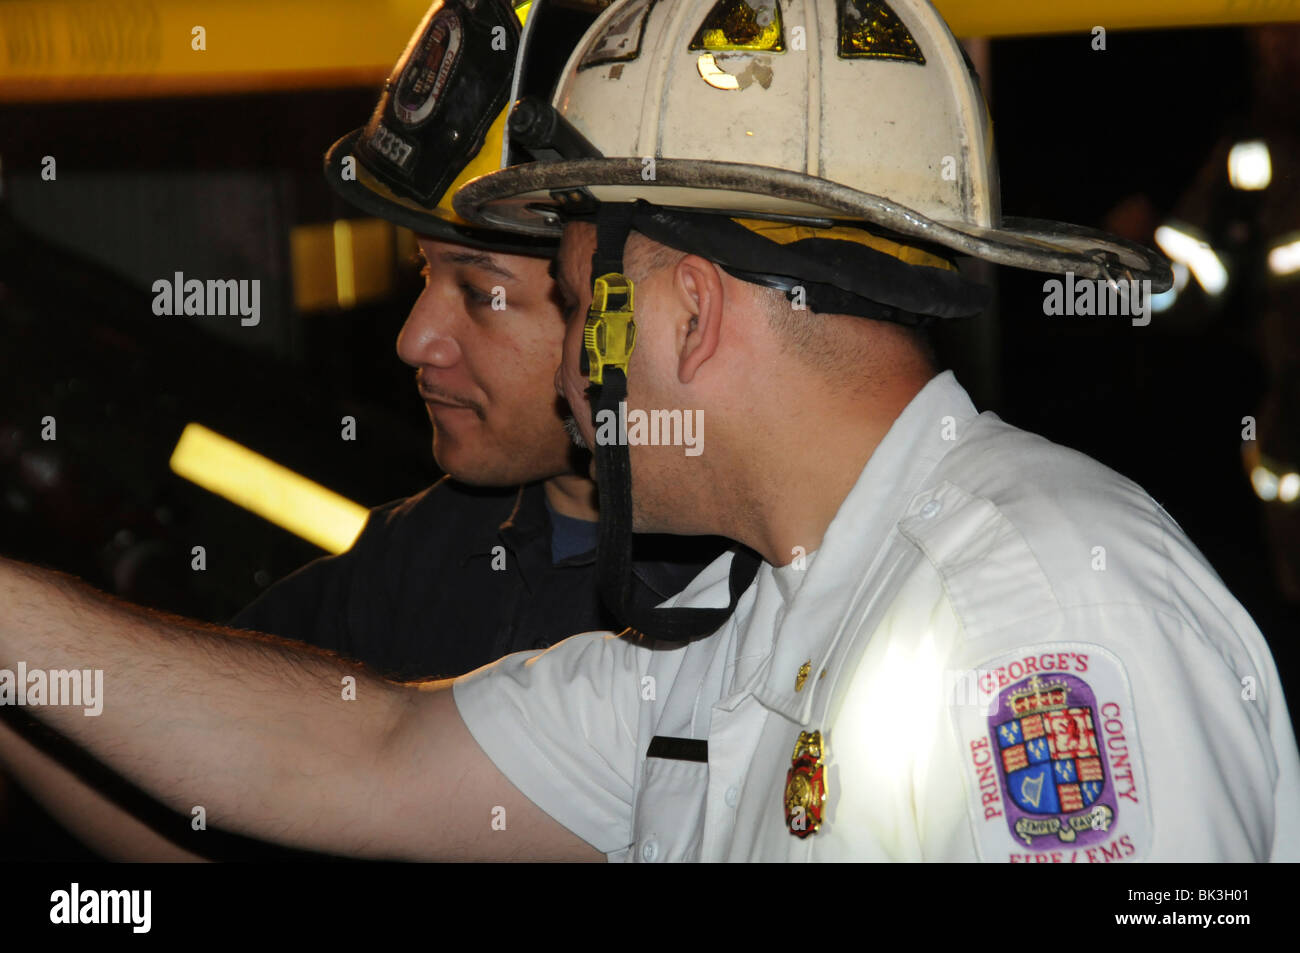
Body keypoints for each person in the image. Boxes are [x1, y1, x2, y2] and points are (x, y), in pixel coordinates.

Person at [2, 0, 1298, 863]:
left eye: (571, 300)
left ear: (686, 304)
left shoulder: (1037, 622)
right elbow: (366, 750)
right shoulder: (744, 631)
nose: (571, 378)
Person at [0, 0, 713, 861]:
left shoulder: (738, 600)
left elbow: (358, 759)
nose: (414, 339)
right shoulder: (429, 552)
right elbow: (209, 791)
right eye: (423, 274)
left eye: (481, 290)